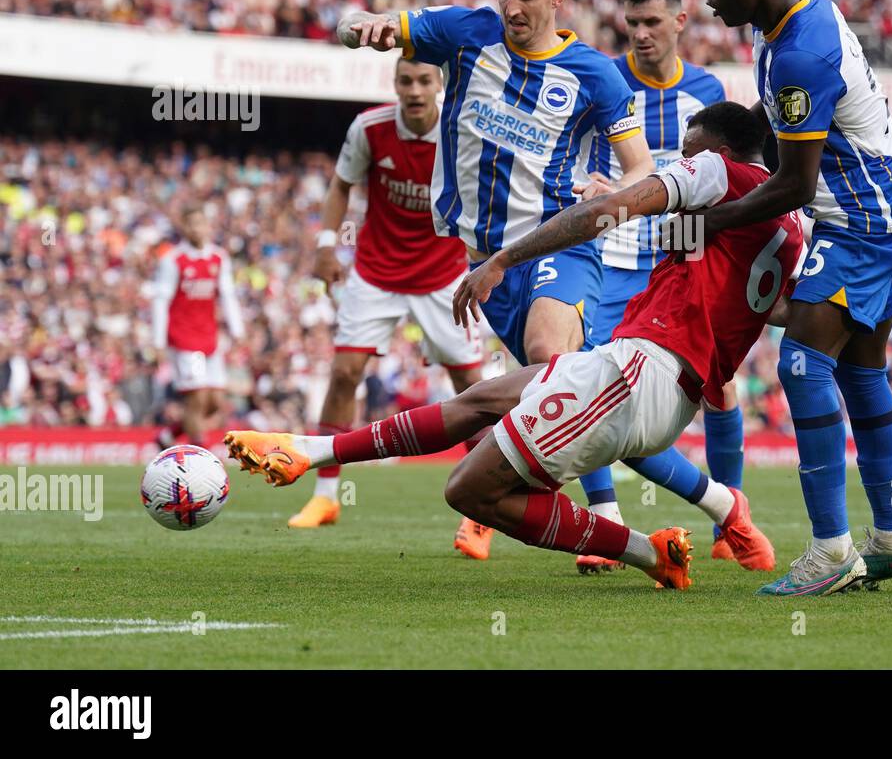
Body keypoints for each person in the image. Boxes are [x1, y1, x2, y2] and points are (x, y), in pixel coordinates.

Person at [225, 101, 799, 590]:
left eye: (690, 152)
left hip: (641, 376)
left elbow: (604, 213)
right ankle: (307, 450)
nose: (683, 163)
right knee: (480, 400)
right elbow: (772, 307)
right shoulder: (791, 227)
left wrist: (505, 257)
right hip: (651, 375)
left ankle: (650, 553)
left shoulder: (718, 173)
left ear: (718, 152)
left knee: (471, 489)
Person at [338, 0, 653, 565]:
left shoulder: (594, 73)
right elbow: (363, 25)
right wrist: (364, 27)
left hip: (555, 242)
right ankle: (701, 506)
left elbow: (640, 167)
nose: (511, 7)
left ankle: (601, 516)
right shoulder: (465, 32)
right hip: (483, 259)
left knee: (547, 359)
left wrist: (612, 186)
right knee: (555, 391)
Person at [691, 0, 892, 597]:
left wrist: (716, 221)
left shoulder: (798, 54)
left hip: (861, 218)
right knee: (859, 372)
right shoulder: (797, 16)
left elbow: (795, 184)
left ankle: (831, 552)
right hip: (880, 206)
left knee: (801, 364)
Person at [574, 0, 765, 570]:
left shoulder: (706, 91)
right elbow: (578, 160)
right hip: (613, 252)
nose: (641, 34)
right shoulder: (606, 82)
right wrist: (592, 188)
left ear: (680, 23)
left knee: (720, 386)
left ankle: (729, 522)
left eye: (652, 22)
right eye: (632, 24)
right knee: (590, 384)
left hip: (678, 249)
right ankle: (607, 520)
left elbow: (723, 182)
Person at [289, 57, 486, 541]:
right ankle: (326, 496)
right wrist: (325, 244)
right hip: (376, 272)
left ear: (439, 84)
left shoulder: (462, 130)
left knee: (472, 389)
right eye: (406, 81)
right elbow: (341, 186)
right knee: (343, 375)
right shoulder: (370, 128)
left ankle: (483, 509)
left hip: (444, 276)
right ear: (395, 84)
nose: (415, 90)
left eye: (424, 80)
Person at [151, 206, 244, 450]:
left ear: (208, 226)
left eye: (201, 223)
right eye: (192, 224)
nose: (198, 229)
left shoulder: (218, 258)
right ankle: (199, 454)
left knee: (215, 402)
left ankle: (167, 437)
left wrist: (237, 331)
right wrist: (158, 342)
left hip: (209, 338)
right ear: (184, 228)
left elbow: (228, 294)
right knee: (198, 397)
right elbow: (161, 301)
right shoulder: (173, 260)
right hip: (183, 339)